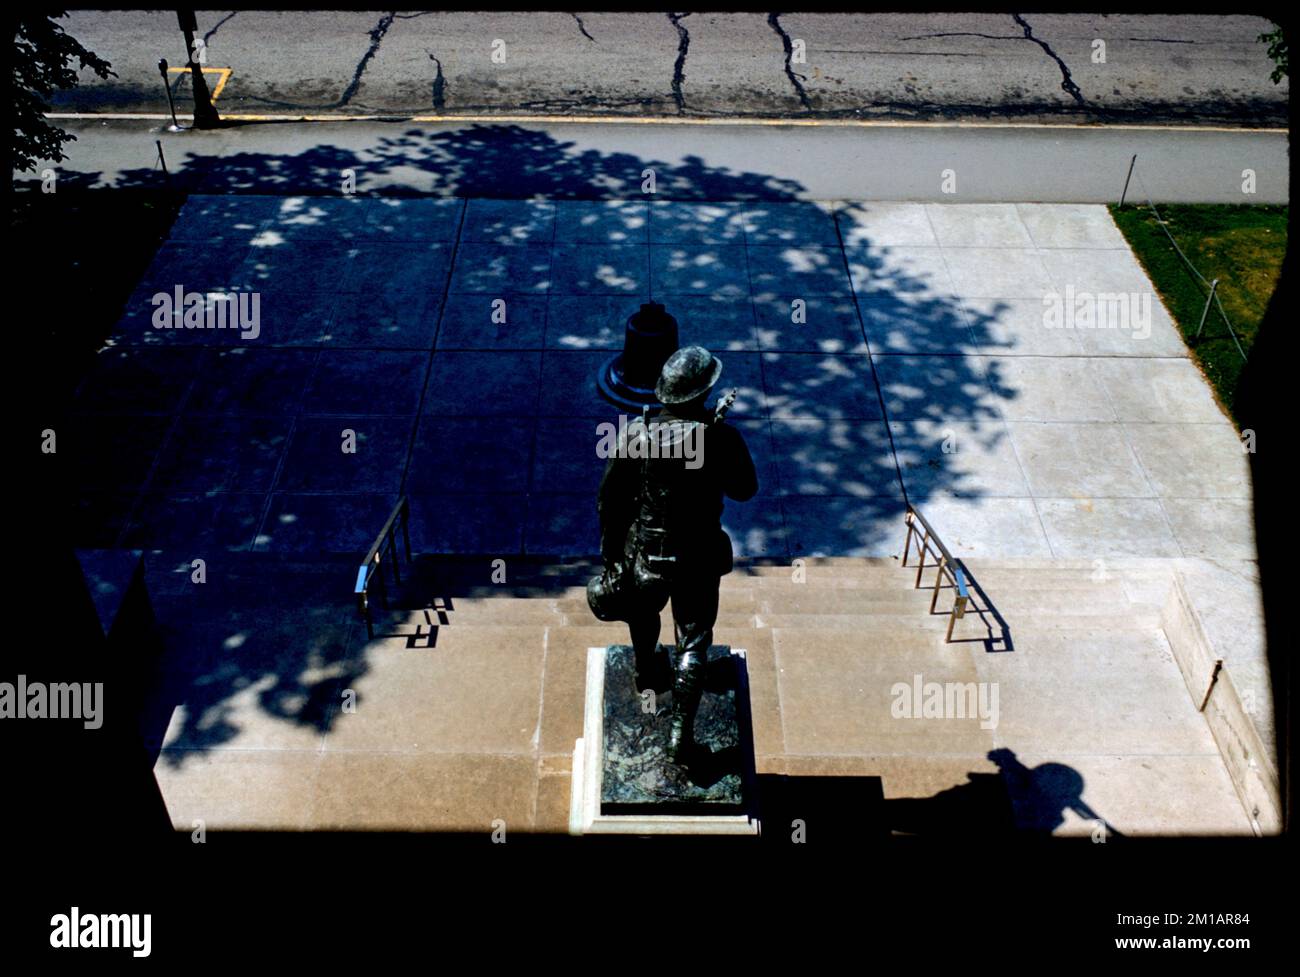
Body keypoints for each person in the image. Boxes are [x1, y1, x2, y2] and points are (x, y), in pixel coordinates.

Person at [590, 345, 757, 765]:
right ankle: (681, 734)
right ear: (704, 393)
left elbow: (609, 501)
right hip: (697, 560)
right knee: (694, 641)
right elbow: (745, 489)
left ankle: (646, 669)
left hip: (647, 555)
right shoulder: (721, 438)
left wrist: (611, 556)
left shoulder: (636, 434)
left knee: (644, 613)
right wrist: (717, 447)